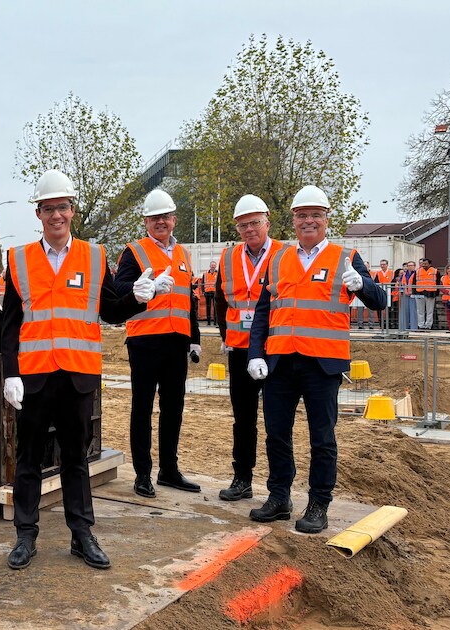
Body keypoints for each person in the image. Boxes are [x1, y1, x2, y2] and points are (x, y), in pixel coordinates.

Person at [1, 169, 148, 571]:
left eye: (62, 207)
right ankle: (25, 535)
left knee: (75, 459)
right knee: (28, 458)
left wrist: (136, 299)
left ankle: (82, 535)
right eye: (48, 208)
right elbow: (10, 324)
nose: (56, 215)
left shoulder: (94, 256)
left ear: (72, 210)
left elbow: (110, 310)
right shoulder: (18, 260)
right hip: (34, 377)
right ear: (38, 213)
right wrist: (10, 373)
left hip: (77, 377)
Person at [245, 185, 385, 534]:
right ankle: (279, 497)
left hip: (322, 364)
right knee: (277, 434)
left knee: (322, 438)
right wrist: (255, 353)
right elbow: (263, 312)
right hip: (280, 362)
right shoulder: (278, 259)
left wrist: (362, 285)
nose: (308, 221)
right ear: (293, 220)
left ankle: (319, 503)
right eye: (302, 215)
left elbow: (379, 302)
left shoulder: (346, 258)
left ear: (326, 219)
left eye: (315, 215)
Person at [114, 189, 202, 499]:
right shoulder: (134, 252)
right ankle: (143, 473)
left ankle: (168, 470)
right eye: (154, 218)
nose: (160, 222)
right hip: (145, 340)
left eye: (165, 216)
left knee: (173, 408)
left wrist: (195, 338)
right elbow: (119, 288)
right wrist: (146, 286)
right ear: (146, 222)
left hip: (177, 341)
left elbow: (189, 300)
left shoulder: (184, 255)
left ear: (174, 219)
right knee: (142, 407)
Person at [214, 194, 284, 501]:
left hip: (274, 348)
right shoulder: (229, 257)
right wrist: (224, 336)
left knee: (277, 421)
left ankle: (279, 488)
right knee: (243, 419)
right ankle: (242, 478)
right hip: (240, 349)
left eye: (254, 222)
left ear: (267, 222)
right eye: (243, 225)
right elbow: (220, 299)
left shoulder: (284, 254)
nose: (249, 229)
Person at [414, 257, 440, 330]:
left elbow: (438, 282)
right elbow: (414, 282)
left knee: (430, 311)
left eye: (425, 264)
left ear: (430, 264)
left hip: (430, 293)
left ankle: (428, 325)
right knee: (420, 310)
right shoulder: (417, 271)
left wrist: (436, 293)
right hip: (419, 292)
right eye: (423, 263)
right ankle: (421, 325)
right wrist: (414, 292)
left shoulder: (435, 271)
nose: (424, 265)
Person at [372, 259, 395, 330]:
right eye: (381, 264)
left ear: (387, 265)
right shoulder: (378, 273)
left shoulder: (392, 273)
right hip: (380, 293)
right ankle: (381, 324)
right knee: (379, 308)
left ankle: (390, 324)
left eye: (384, 264)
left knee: (390, 309)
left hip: (390, 293)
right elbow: (375, 283)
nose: (382, 266)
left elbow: (394, 283)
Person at [399, 261, 418, 332]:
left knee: (413, 311)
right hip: (405, 294)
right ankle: (404, 328)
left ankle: (413, 328)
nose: (410, 267)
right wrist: (401, 291)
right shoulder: (403, 275)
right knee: (404, 312)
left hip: (413, 295)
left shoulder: (416, 274)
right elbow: (400, 283)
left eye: (411, 265)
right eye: (409, 265)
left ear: (414, 266)